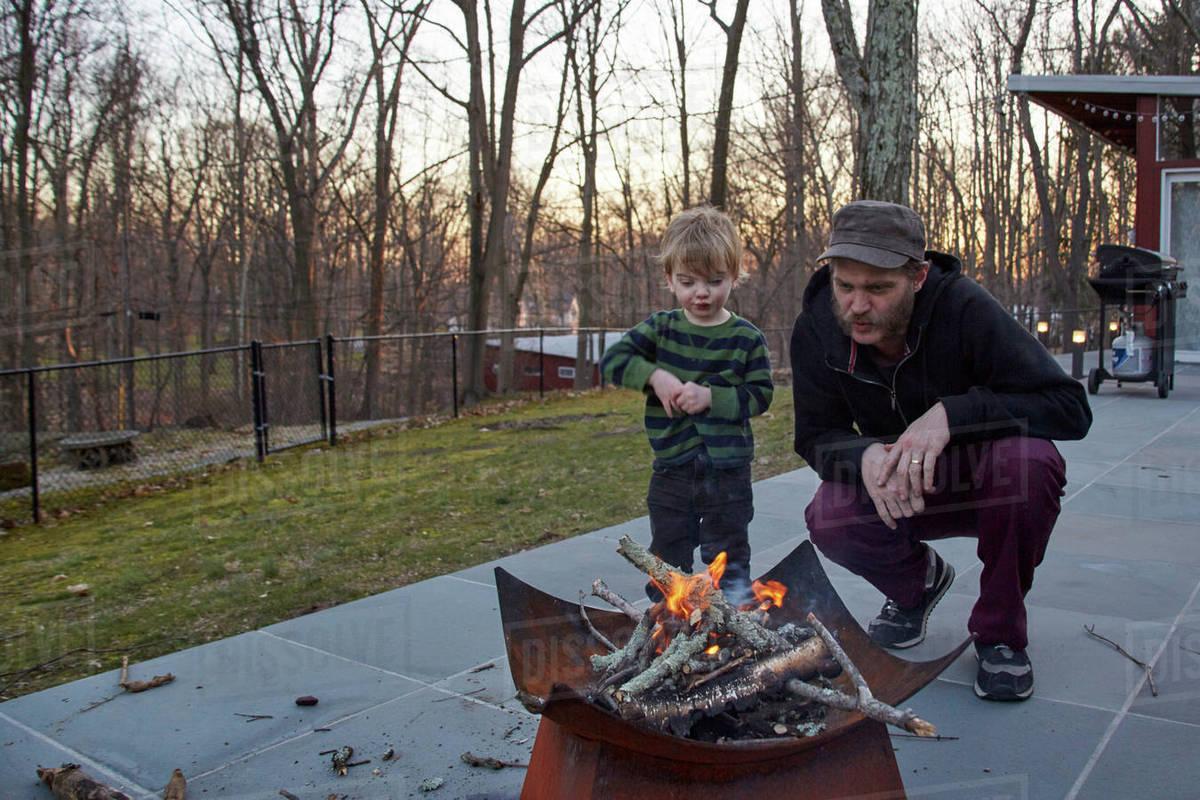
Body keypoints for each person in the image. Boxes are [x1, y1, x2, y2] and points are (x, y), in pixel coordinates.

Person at [789, 200, 1092, 701]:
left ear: (918, 276)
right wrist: (863, 455)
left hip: (985, 479)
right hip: (899, 484)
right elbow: (815, 435)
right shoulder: (818, 328)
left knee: (1030, 464)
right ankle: (916, 586)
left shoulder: (964, 307)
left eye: (878, 289)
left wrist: (952, 415)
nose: (857, 305)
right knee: (830, 514)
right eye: (845, 286)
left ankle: (999, 633)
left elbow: (1069, 408)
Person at [601, 205, 774, 605]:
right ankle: (667, 614)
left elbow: (761, 395)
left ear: (735, 276)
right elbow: (613, 361)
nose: (701, 292)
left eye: (715, 281)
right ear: (669, 279)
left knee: (729, 551)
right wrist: (654, 376)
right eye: (687, 281)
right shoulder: (660, 330)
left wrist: (713, 397)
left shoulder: (746, 338)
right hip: (672, 468)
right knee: (667, 549)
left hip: (729, 471)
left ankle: (732, 611)